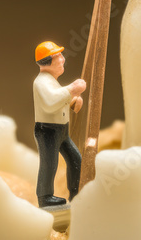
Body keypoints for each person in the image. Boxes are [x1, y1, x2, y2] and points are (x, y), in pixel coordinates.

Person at [32, 41, 86, 207]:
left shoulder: (51, 81)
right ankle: (45, 197)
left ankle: (76, 193)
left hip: (61, 130)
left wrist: (71, 102)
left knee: (75, 158)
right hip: (47, 130)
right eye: (59, 57)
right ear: (48, 61)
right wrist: (72, 89)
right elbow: (50, 102)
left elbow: (58, 100)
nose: (63, 59)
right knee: (50, 164)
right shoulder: (41, 82)